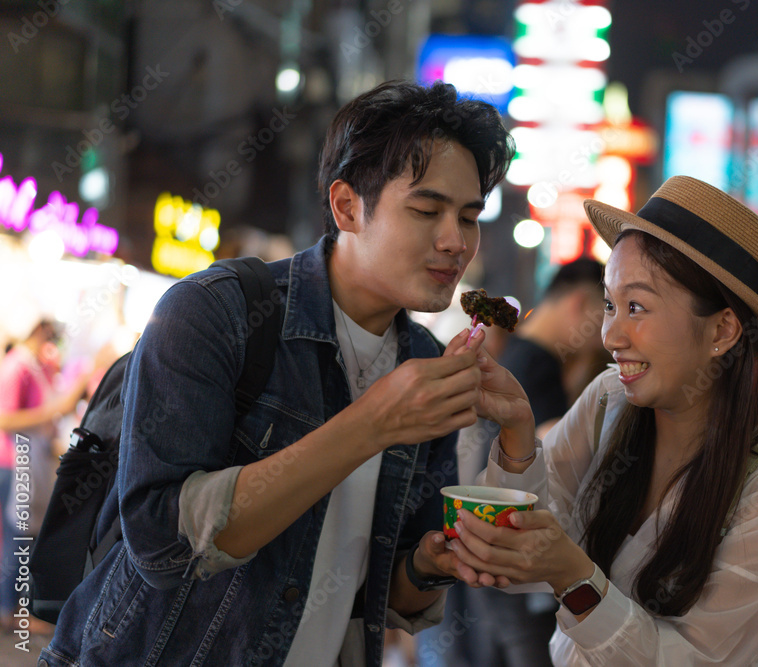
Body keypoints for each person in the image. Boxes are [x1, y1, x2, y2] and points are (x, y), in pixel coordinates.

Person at [40, 80, 515, 667]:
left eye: (469, 217)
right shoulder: (216, 312)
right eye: (426, 210)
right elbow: (162, 545)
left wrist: (430, 563)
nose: (455, 241)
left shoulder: (426, 365)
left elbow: (383, 595)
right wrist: (372, 424)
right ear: (346, 207)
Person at [445, 176, 758, 665]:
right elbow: (522, 550)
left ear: (722, 329)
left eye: (636, 307)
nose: (610, 334)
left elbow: (685, 659)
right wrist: (518, 431)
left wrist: (574, 576)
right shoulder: (609, 401)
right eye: (609, 304)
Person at [418, 258, 606, 667]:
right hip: (513, 559)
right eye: (607, 310)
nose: (608, 336)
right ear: (578, 304)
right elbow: (549, 447)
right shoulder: (538, 364)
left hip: (484, 552)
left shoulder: (517, 357)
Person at [0, 318, 89, 635]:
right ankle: (9, 611)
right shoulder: (18, 367)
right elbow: (5, 419)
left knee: (22, 537)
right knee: (17, 539)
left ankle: (13, 608)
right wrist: (55, 410)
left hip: (25, 461)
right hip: (12, 461)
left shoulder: (33, 366)